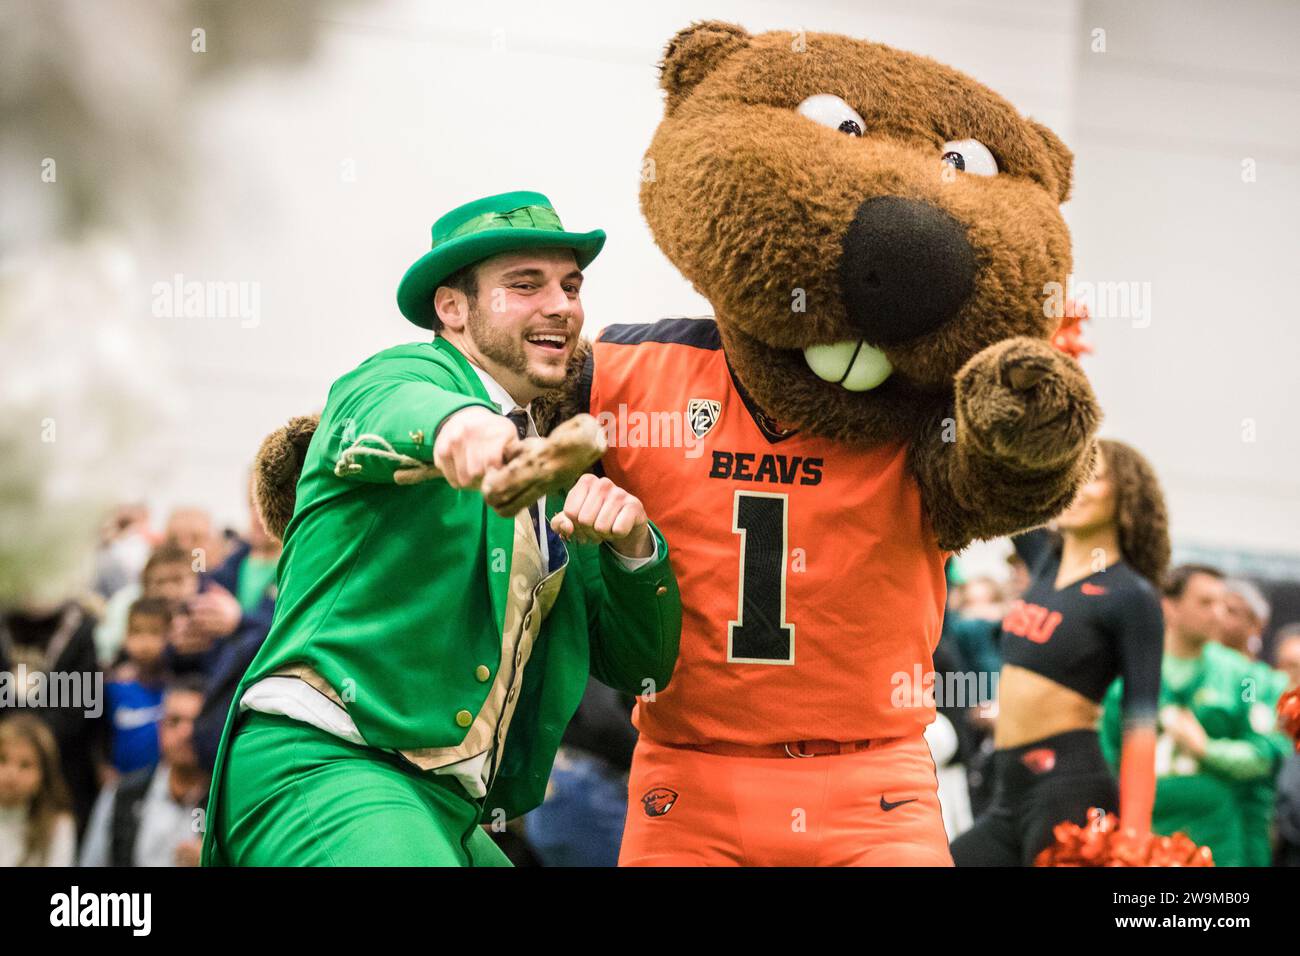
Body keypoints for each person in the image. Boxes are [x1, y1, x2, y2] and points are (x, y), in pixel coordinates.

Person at [201, 190, 682, 867]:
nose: (562, 305)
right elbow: (389, 404)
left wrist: (636, 549)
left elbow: (642, 669)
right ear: (452, 309)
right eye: (526, 284)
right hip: (326, 766)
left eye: (571, 286)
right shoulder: (405, 377)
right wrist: (464, 429)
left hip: (449, 809)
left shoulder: (554, 478)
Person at [951, 439, 1168, 866]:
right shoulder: (1045, 562)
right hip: (1008, 791)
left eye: (1095, 476)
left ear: (1126, 493)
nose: (1080, 486)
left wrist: (1134, 837)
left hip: (1069, 791)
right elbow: (999, 479)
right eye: (1074, 473)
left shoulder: (1132, 596)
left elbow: (1141, 726)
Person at [1100, 565, 1290, 866]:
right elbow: (1108, 762)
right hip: (1145, 840)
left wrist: (1206, 749)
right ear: (1170, 607)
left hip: (1218, 842)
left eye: (1223, 605)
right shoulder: (1129, 674)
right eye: (1205, 603)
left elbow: (1264, 754)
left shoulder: (1245, 679)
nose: (1217, 614)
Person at [80, 677, 209, 867]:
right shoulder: (121, 794)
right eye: (174, 721)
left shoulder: (228, 801)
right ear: (159, 728)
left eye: (196, 722)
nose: (186, 732)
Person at [104, 597, 171, 776]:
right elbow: (99, 736)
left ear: (169, 635)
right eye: (136, 632)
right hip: (121, 783)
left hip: (160, 783)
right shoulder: (113, 686)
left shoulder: (174, 686)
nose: (145, 642)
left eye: (154, 632)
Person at [0, 715, 77, 866]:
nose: (11, 774)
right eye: (3, 759)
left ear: (44, 775)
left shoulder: (58, 826)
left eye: (25, 765)